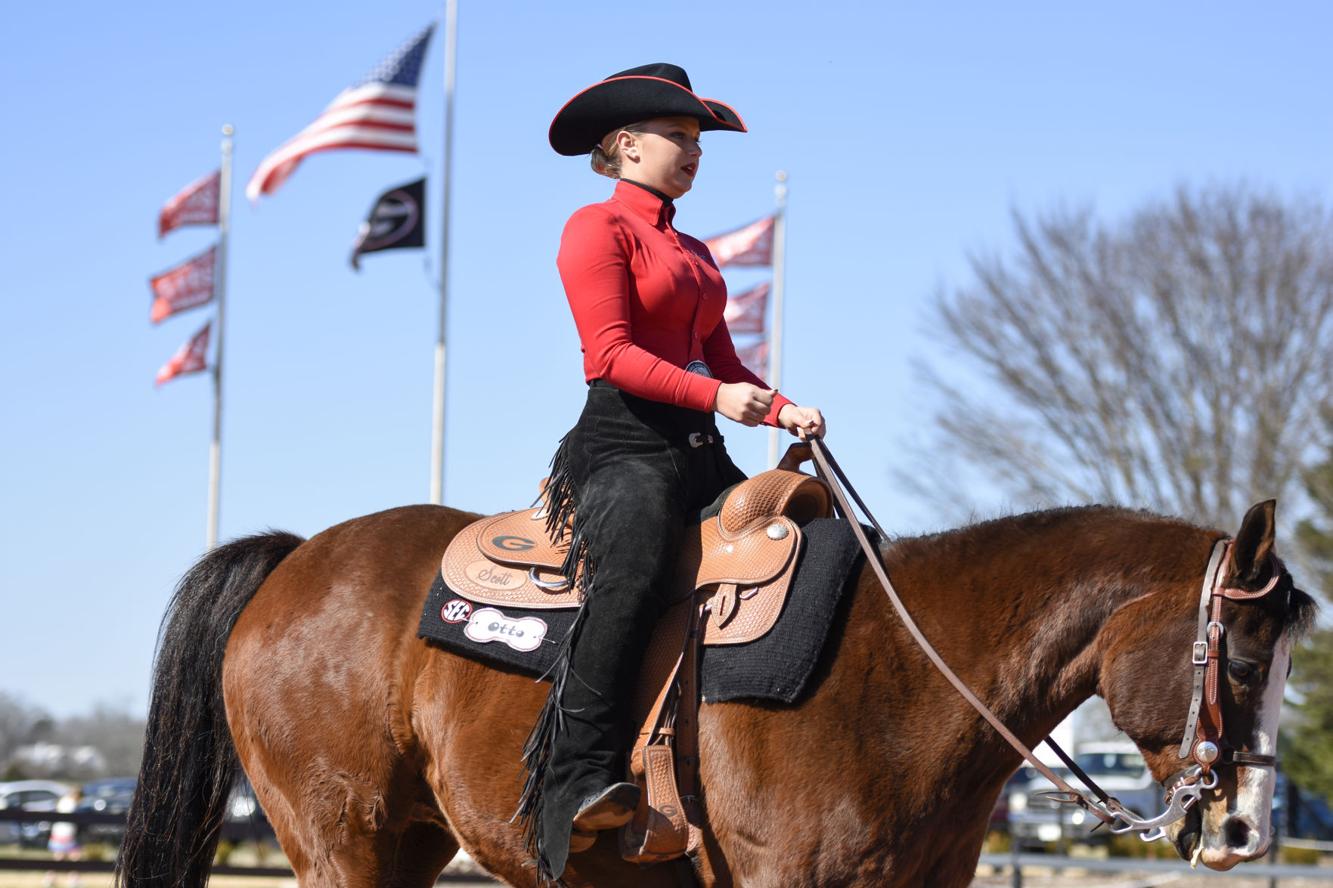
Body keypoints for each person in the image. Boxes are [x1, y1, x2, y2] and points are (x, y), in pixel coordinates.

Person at [517, 63, 825, 882]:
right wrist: (721, 395)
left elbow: (722, 357)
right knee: (633, 572)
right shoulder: (595, 227)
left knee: (803, 540)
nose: (693, 152)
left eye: (697, 141)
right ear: (622, 145)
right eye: (677, 137)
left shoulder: (689, 248)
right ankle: (576, 775)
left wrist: (783, 404)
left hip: (697, 449)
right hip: (621, 446)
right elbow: (609, 356)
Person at [43, 787, 82, 888]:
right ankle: (73, 880)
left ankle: (50, 879)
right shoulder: (72, 804)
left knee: (59, 857)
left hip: (57, 833)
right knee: (74, 856)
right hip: (66, 834)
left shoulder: (62, 801)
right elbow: (72, 819)